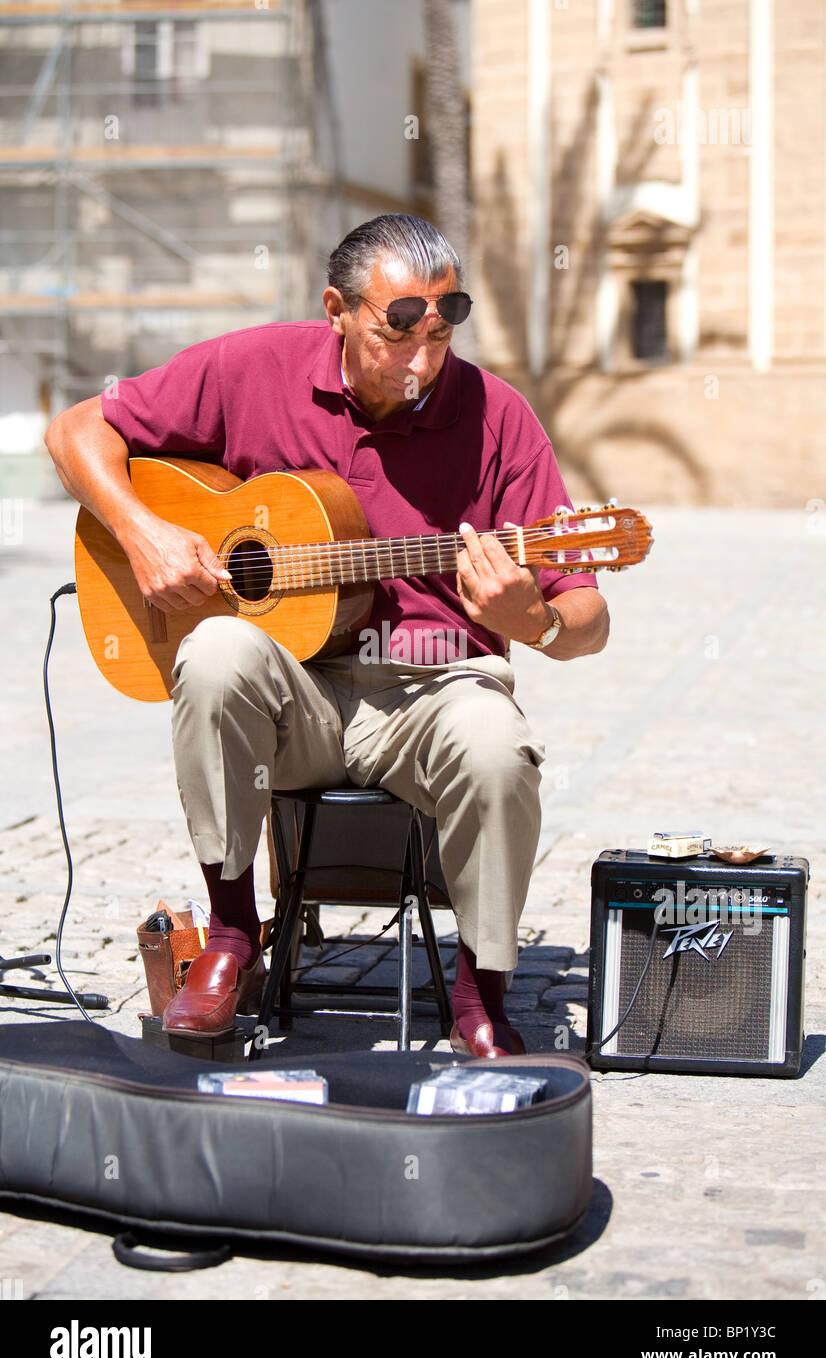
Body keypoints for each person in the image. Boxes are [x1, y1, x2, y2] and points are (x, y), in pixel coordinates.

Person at [45, 214, 608, 1058]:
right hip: (293, 696)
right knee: (214, 652)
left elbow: (587, 625)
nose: (422, 361)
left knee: (498, 748)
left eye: (443, 330)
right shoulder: (253, 366)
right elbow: (75, 431)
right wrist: (142, 533)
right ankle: (234, 935)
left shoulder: (497, 417)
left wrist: (532, 619)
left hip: (432, 688)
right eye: (397, 332)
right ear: (337, 309)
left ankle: (481, 990)